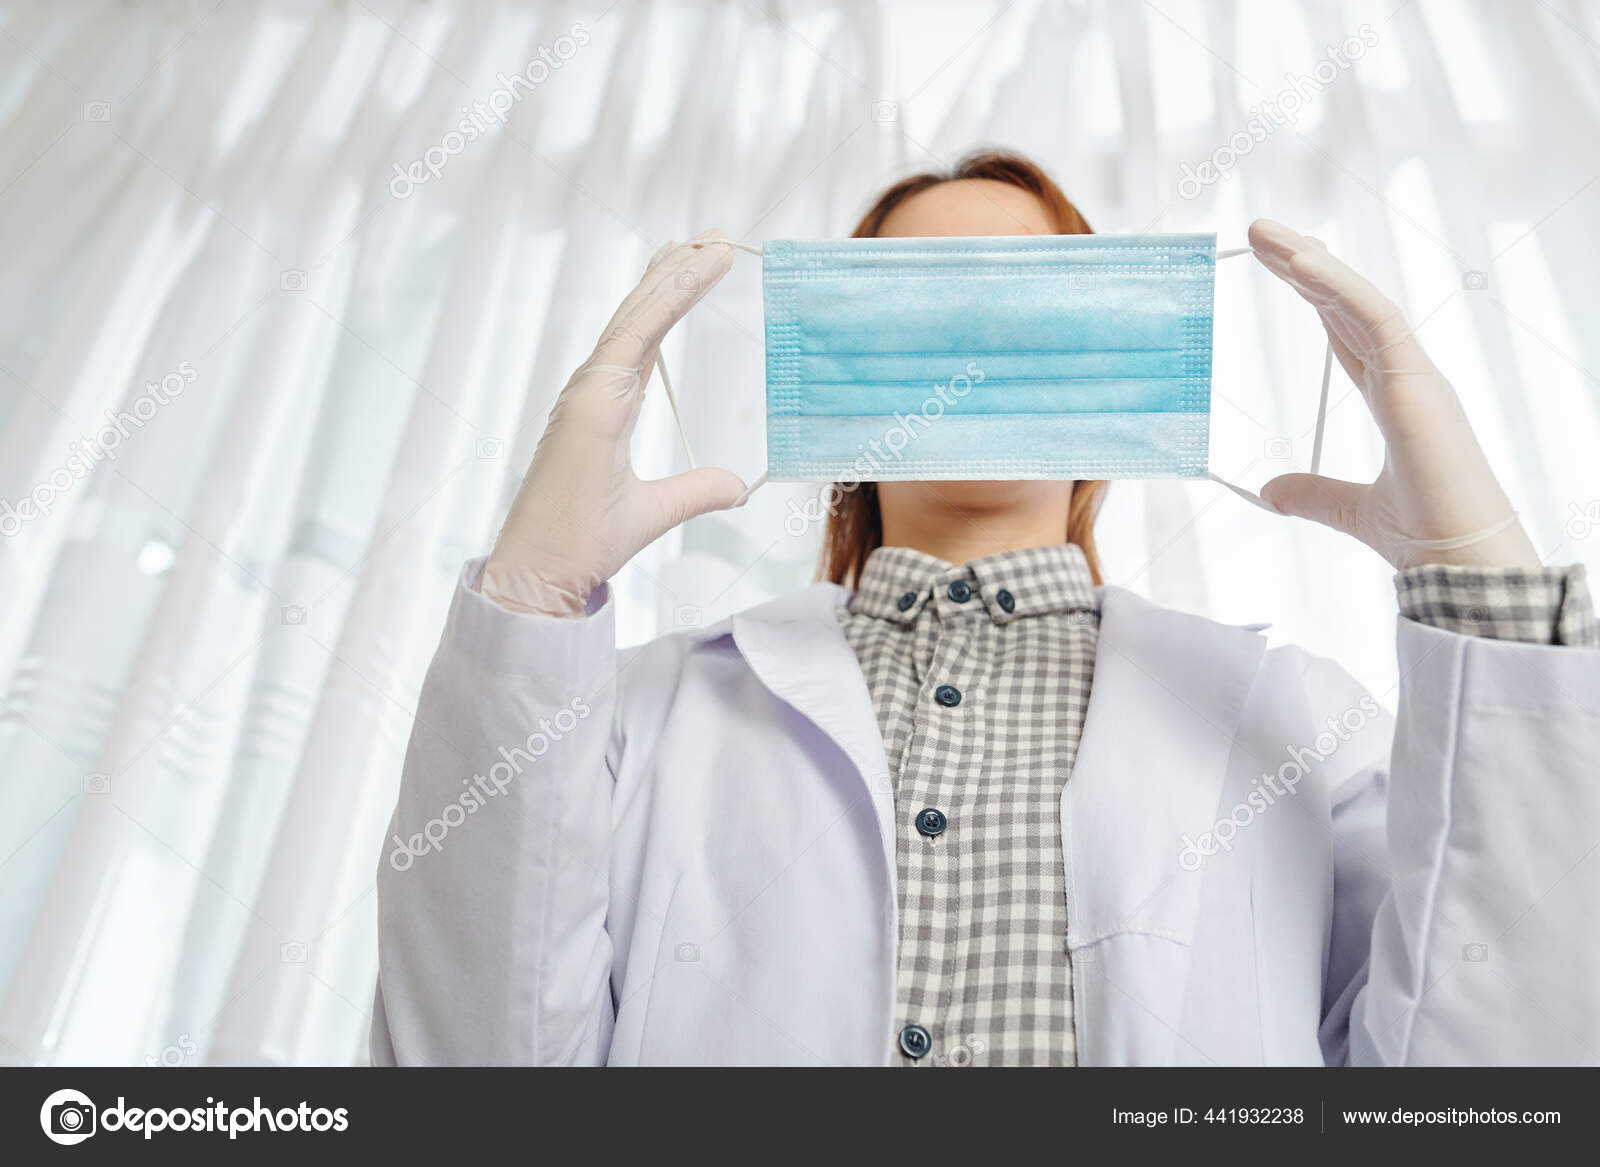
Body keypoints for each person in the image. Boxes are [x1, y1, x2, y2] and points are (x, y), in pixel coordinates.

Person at [371, 151, 1599, 1067]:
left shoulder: (1295, 726)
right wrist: (529, 606)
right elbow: (472, 1064)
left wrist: (1479, 591)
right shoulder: (642, 711)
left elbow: (1488, 1076)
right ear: (835, 355)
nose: (974, 334)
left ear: (1115, 346)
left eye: (1033, 291)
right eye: (917, 295)